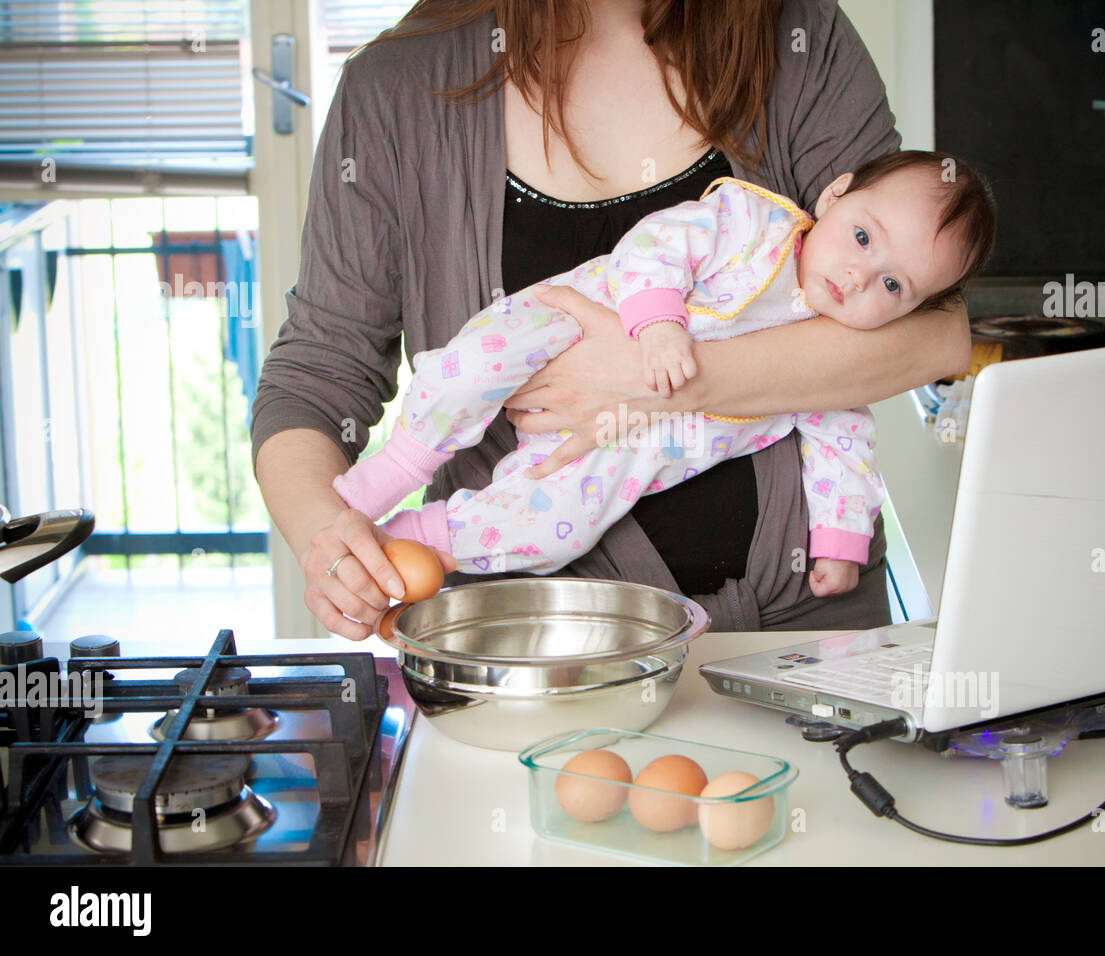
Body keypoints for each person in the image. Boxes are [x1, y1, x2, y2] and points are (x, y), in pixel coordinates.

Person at [250, 0, 975, 641]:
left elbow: (933, 333)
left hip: (800, 635)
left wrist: (665, 381)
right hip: (531, 646)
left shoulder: (796, 36)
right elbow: (318, 373)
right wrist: (330, 535)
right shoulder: (396, 90)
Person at [330, 151, 993, 598]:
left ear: (909, 309)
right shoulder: (751, 222)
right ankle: (395, 470)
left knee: (553, 526)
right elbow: (656, 243)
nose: (857, 276)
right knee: (473, 364)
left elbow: (846, 452)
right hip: (576, 325)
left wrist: (841, 542)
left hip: (619, 454)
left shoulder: (834, 363)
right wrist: (658, 323)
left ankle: (423, 539)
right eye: (861, 237)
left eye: (892, 284)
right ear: (836, 193)